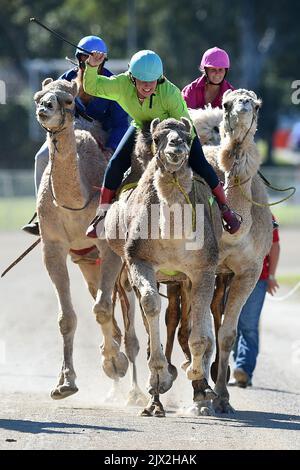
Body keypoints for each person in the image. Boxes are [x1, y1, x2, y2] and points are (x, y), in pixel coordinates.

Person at [83, 49, 241, 238]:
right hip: (141, 126)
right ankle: (102, 217)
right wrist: (91, 67)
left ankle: (225, 210)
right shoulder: (121, 84)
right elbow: (92, 87)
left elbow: (186, 126)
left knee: (203, 166)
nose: (148, 86)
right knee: (115, 164)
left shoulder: (170, 94)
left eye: (152, 81)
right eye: (142, 80)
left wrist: (180, 146)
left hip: (174, 131)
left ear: (159, 78)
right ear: (131, 78)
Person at [22, 35, 129, 236]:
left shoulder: (113, 84)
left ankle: (119, 215)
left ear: (104, 60)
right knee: (41, 157)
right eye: (88, 58)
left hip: (102, 139)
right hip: (69, 135)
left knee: (123, 166)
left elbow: (121, 123)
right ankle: (41, 214)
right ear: (79, 58)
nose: (93, 62)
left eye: (98, 59)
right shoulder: (64, 81)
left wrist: (111, 148)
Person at [231, 217, 280, 388]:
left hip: (258, 279)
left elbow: (274, 246)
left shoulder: (266, 215)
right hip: (229, 278)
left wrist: (272, 276)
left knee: (249, 325)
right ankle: (238, 367)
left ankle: (243, 369)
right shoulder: (229, 210)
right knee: (232, 324)